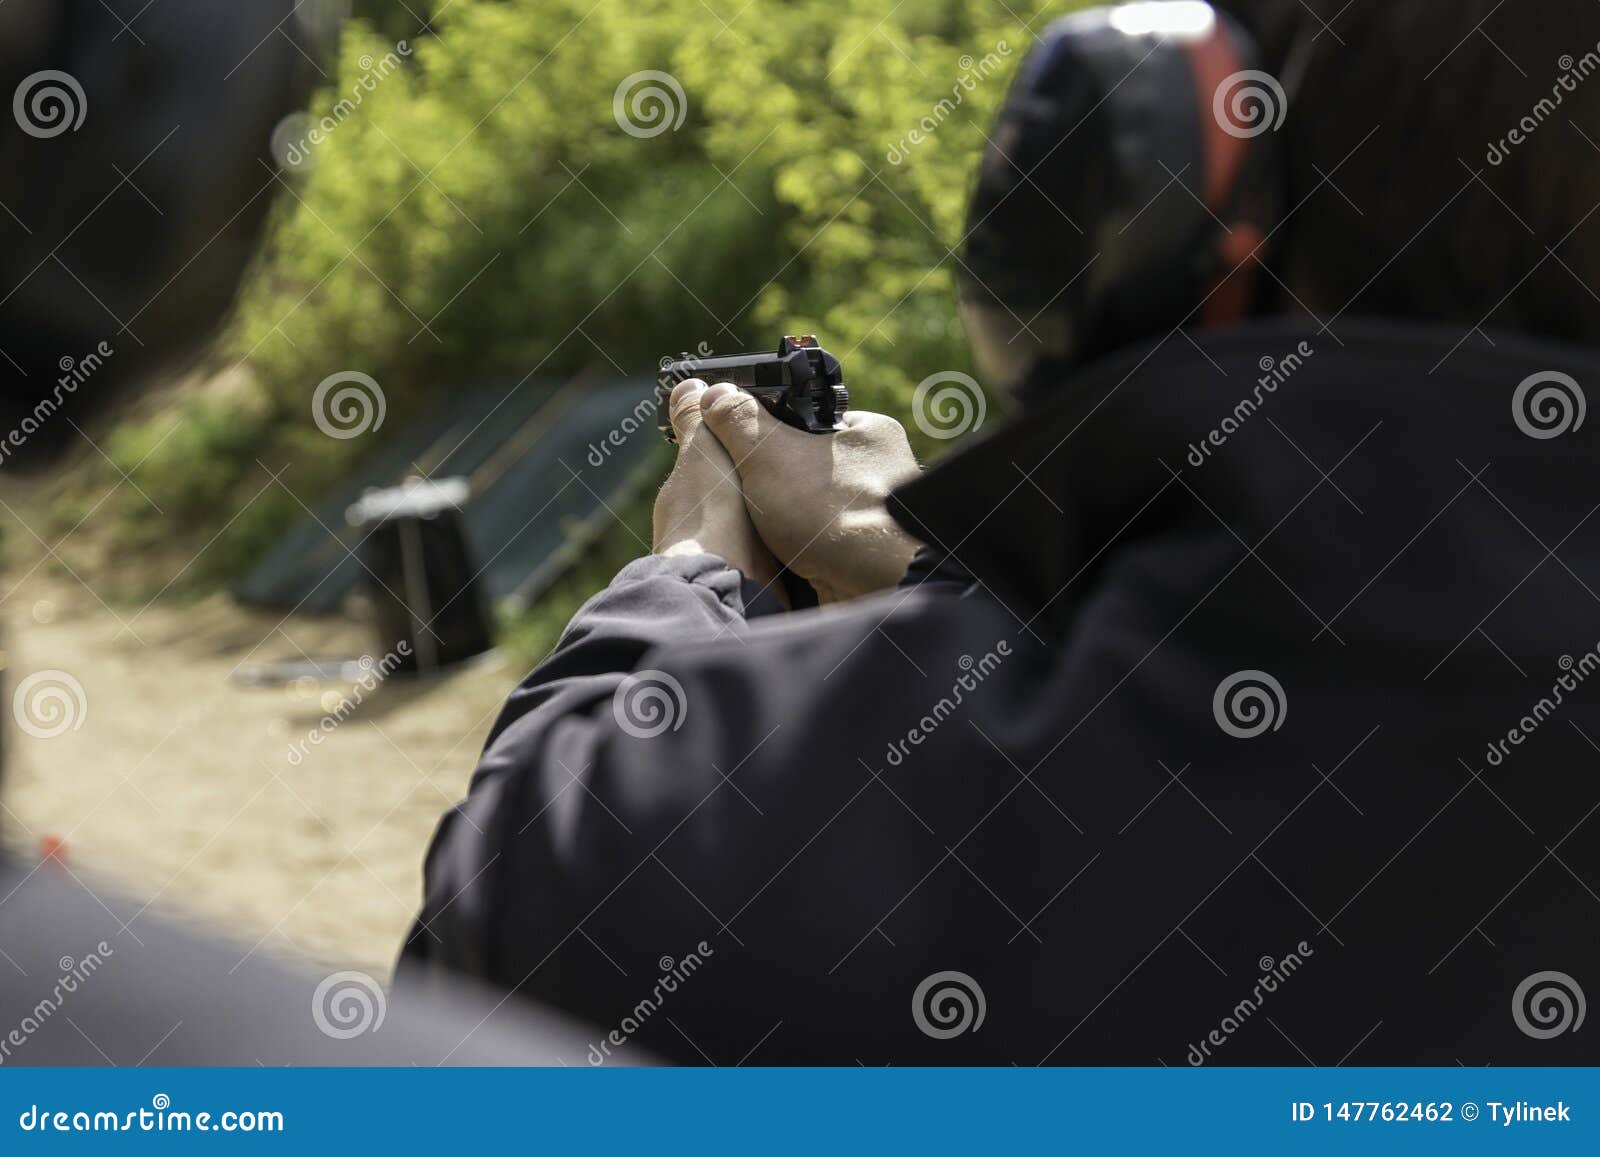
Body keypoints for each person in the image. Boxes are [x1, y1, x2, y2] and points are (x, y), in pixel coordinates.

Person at [403, 0, 1600, 1064]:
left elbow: (513, 898)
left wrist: (687, 574)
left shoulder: (692, 836)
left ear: (1169, 176)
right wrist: (926, 560)